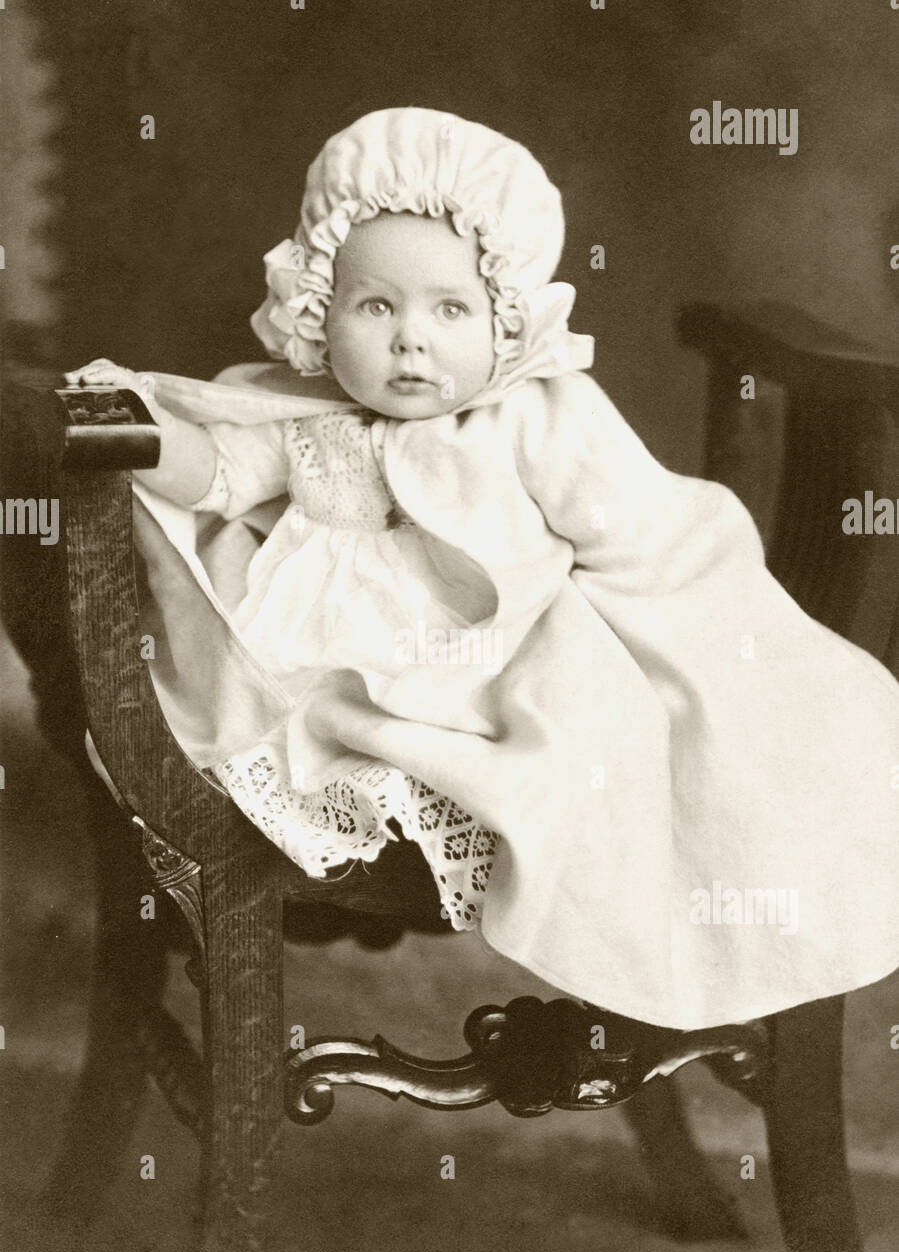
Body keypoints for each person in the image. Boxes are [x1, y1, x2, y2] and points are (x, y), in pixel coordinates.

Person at [66, 107, 899, 1030]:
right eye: (374, 306)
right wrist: (140, 436)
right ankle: (353, 783)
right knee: (285, 712)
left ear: (505, 321)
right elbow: (219, 476)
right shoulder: (300, 416)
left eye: (448, 309)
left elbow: (638, 525)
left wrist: (723, 641)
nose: (409, 340)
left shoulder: (535, 417)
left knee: (591, 709)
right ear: (315, 309)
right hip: (322, 663)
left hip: (480, 660)